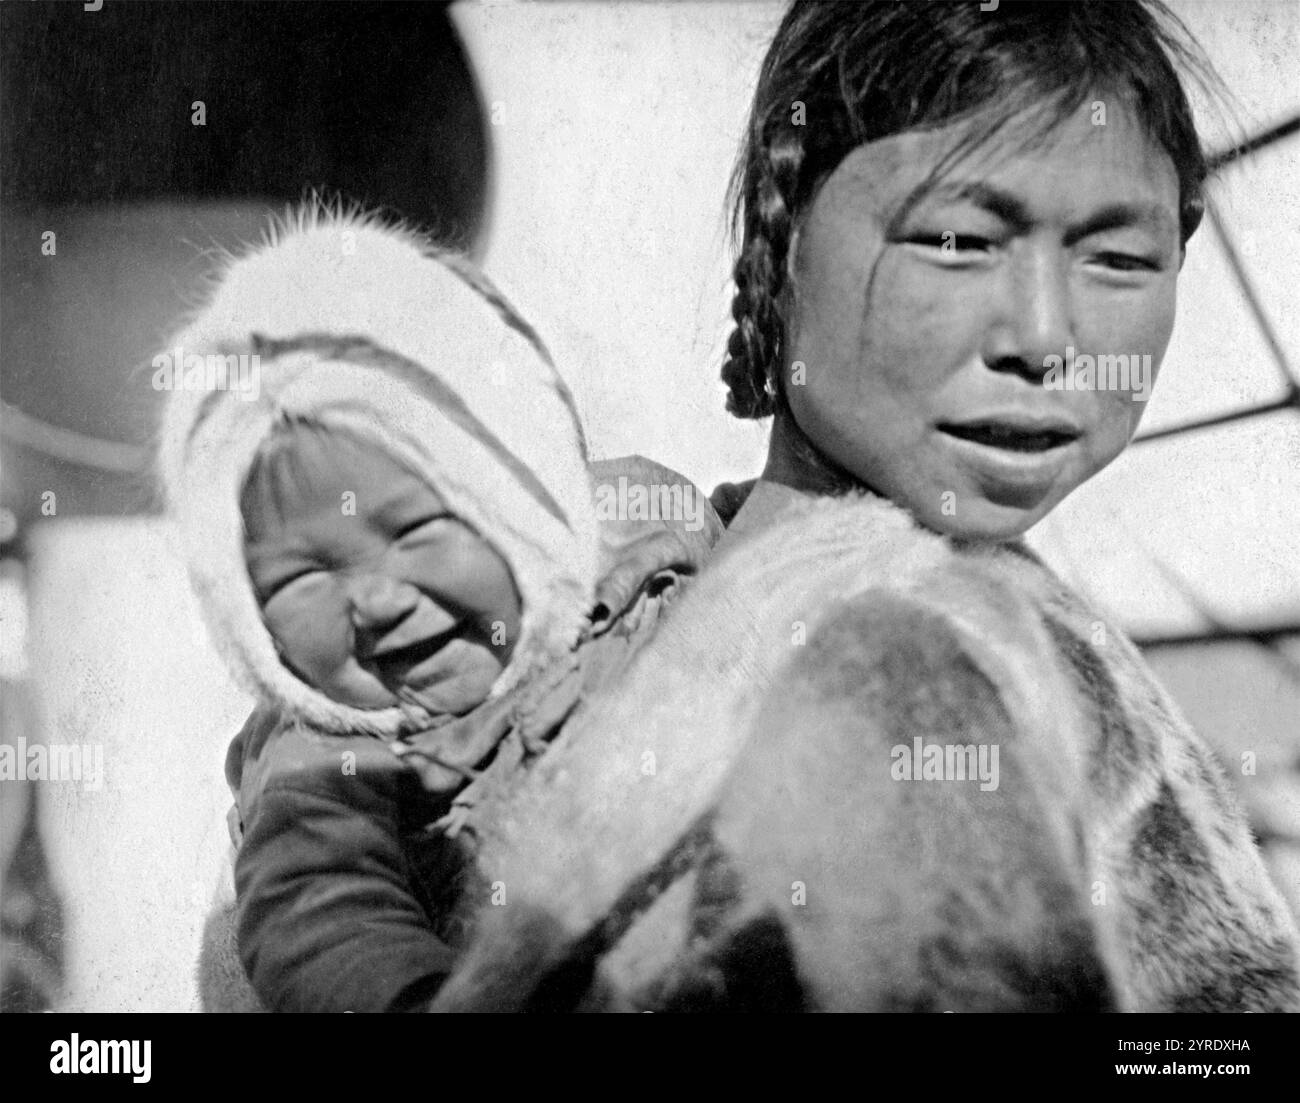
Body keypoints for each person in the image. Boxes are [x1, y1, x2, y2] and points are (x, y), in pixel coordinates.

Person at [429, 0, 1300, 1011]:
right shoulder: (574, 573)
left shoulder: (1010, 660)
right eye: (960, 239)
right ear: (781, 230)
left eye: (1117, 257)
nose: (1045, 334)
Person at [158, 208, 721, 1012]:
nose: (377, 600)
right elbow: (323, 910)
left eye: (417, 529)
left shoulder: (646, 525)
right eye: (304, 574)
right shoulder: (322, 751)